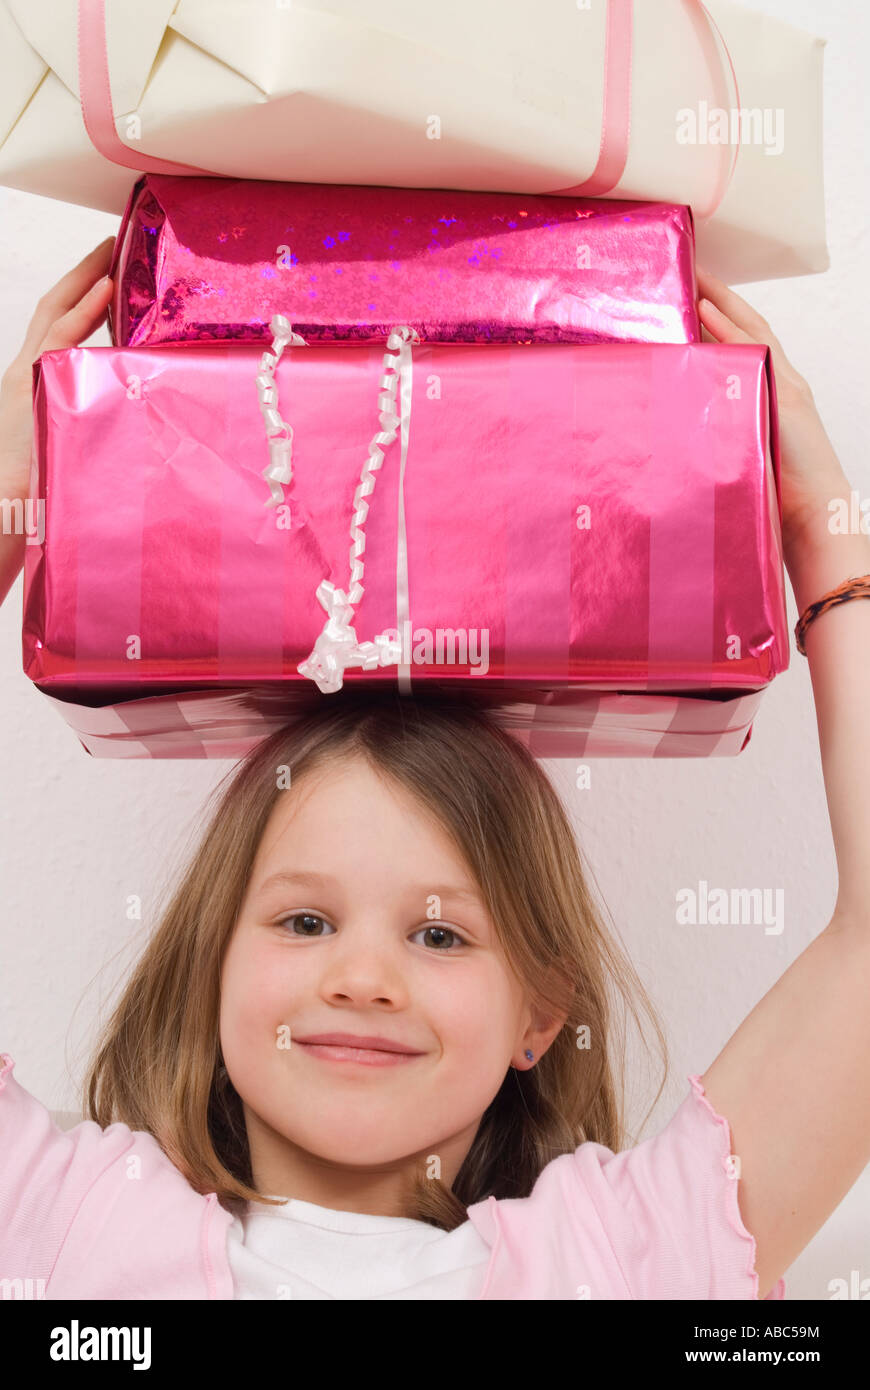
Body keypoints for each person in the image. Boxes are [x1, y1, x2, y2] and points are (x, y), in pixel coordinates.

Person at [0, 245, 868, 1300]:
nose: (363, 978)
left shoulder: (618, 1261)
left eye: (441, 933)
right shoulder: (61, 1220)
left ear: (541, 1011)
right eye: (304, 921)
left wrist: (821, 528)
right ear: (211, 964)